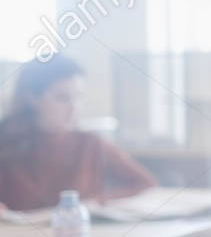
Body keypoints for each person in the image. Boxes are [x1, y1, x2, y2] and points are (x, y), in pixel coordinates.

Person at [0, 54, 155, 212]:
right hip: (19, 235)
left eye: (79, 97)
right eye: (62, 98)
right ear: (32, 98)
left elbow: (145, 182)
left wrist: (99, 200)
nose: (74, 108)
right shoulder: (5, 142)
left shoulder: (89, 142)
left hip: (78, 233)